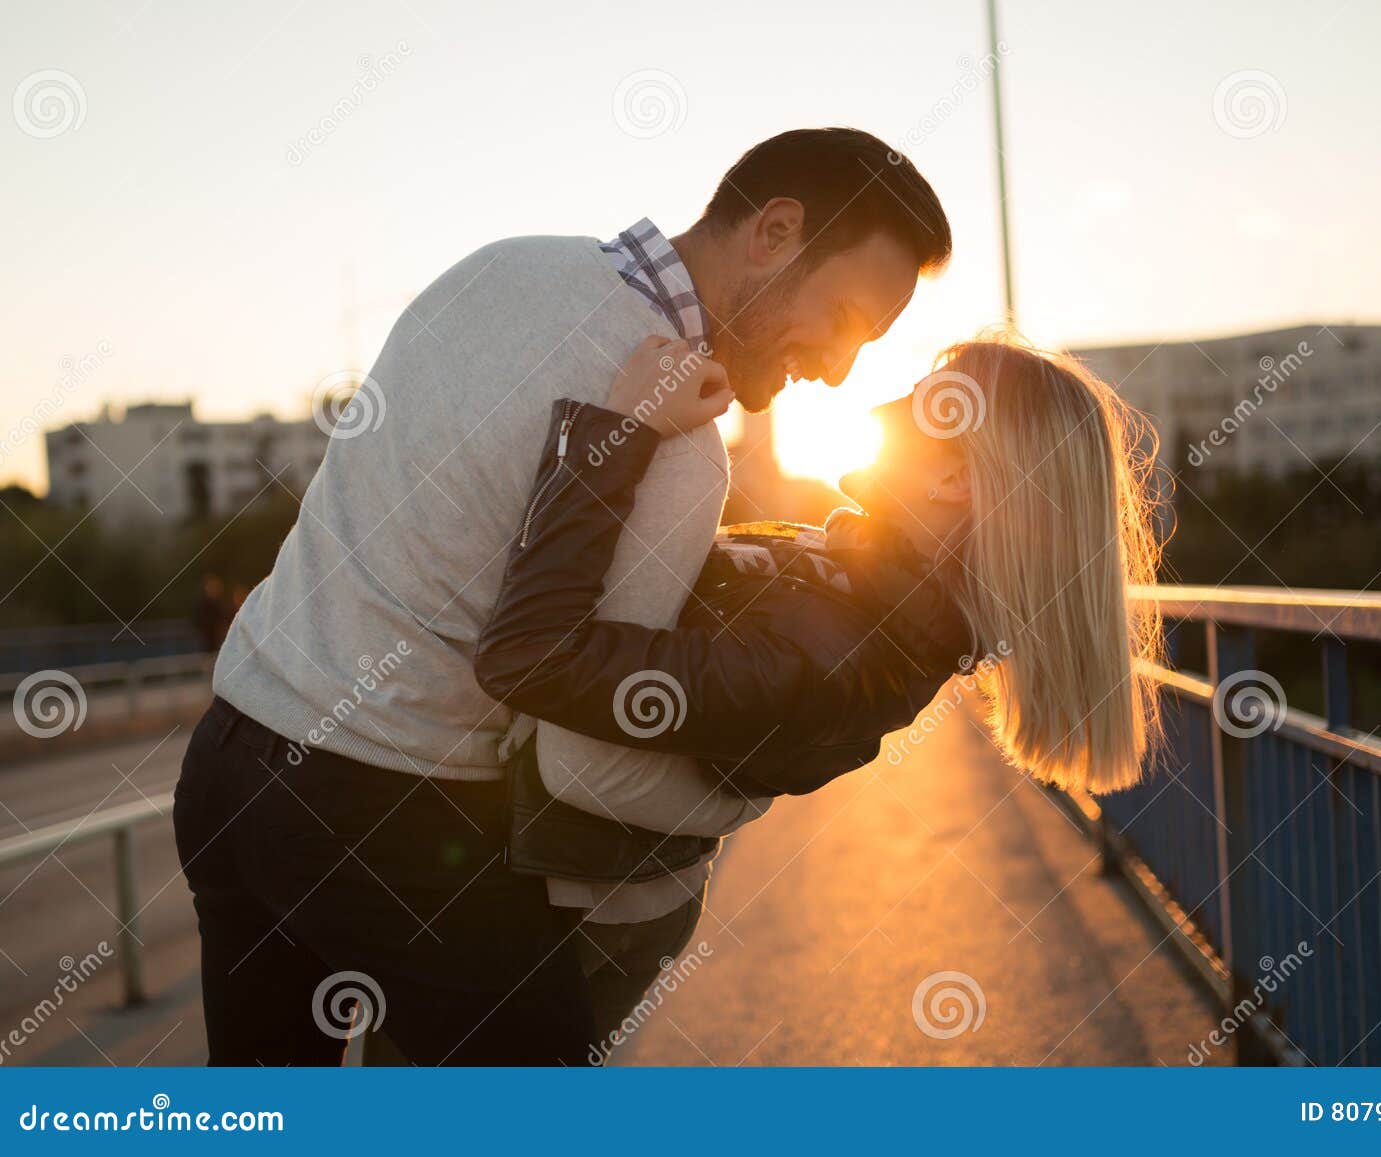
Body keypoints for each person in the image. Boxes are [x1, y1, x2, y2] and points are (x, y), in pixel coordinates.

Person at [172, 127, 953, 1065]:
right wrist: (755, 781)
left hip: (228, 759)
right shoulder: (676, 446)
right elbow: (584, 760)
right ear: (776, 231)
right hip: (387, 810)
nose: (836, 368)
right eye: (847, 321)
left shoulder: (498, 265)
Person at [469, 330, 1166, 1044]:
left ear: (954, 476)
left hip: (550, 921)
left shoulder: (834, 653)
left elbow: (529, 656)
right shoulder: (861, 584)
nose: (880, 408)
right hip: (547, 880)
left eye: (919, 401)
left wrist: (618, 432)